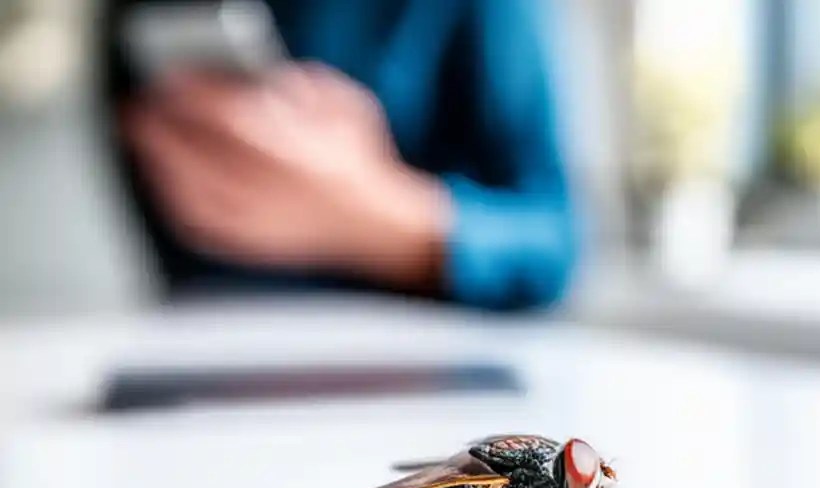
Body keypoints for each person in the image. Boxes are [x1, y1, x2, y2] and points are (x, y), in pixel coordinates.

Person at [102, 0, 576, 310]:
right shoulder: (141, 15)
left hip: (434, 368)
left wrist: (380, 219)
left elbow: (555, 243)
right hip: (204, 353)